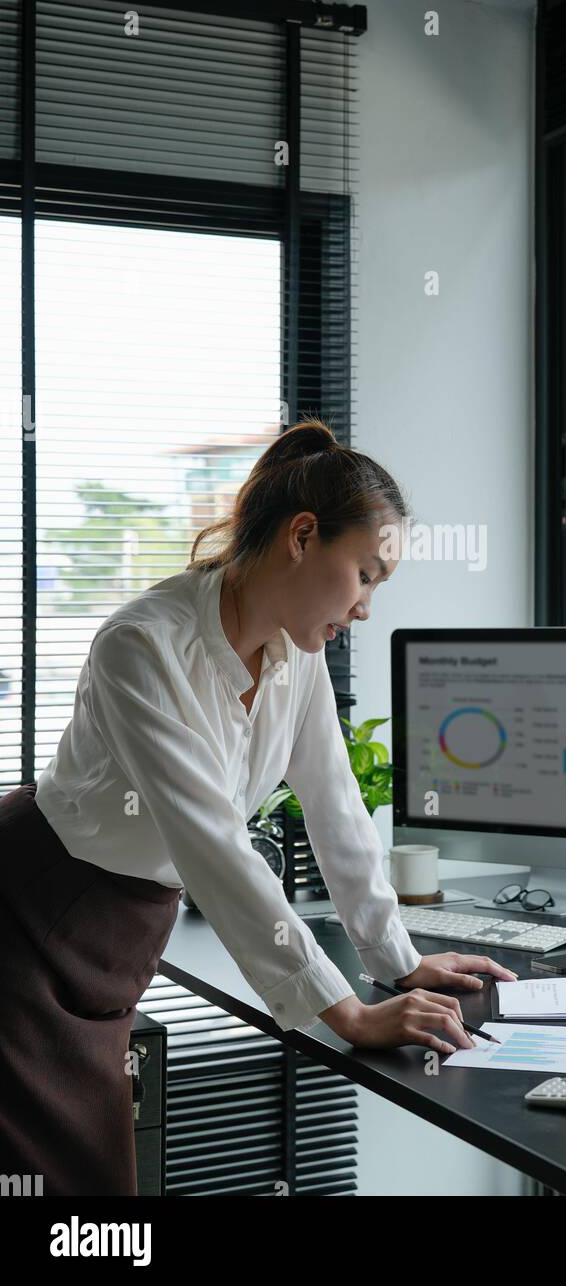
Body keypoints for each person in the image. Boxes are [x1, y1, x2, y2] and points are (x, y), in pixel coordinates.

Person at [0, 418, 517, 1195]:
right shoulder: (140, 647)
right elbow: (212, 844)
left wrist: (398, 962)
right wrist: (345, 1013)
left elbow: (336, 807)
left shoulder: (294, 657)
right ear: (303, 536)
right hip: (26, 921)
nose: (369, 606)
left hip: (113, 941)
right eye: (367, 574)